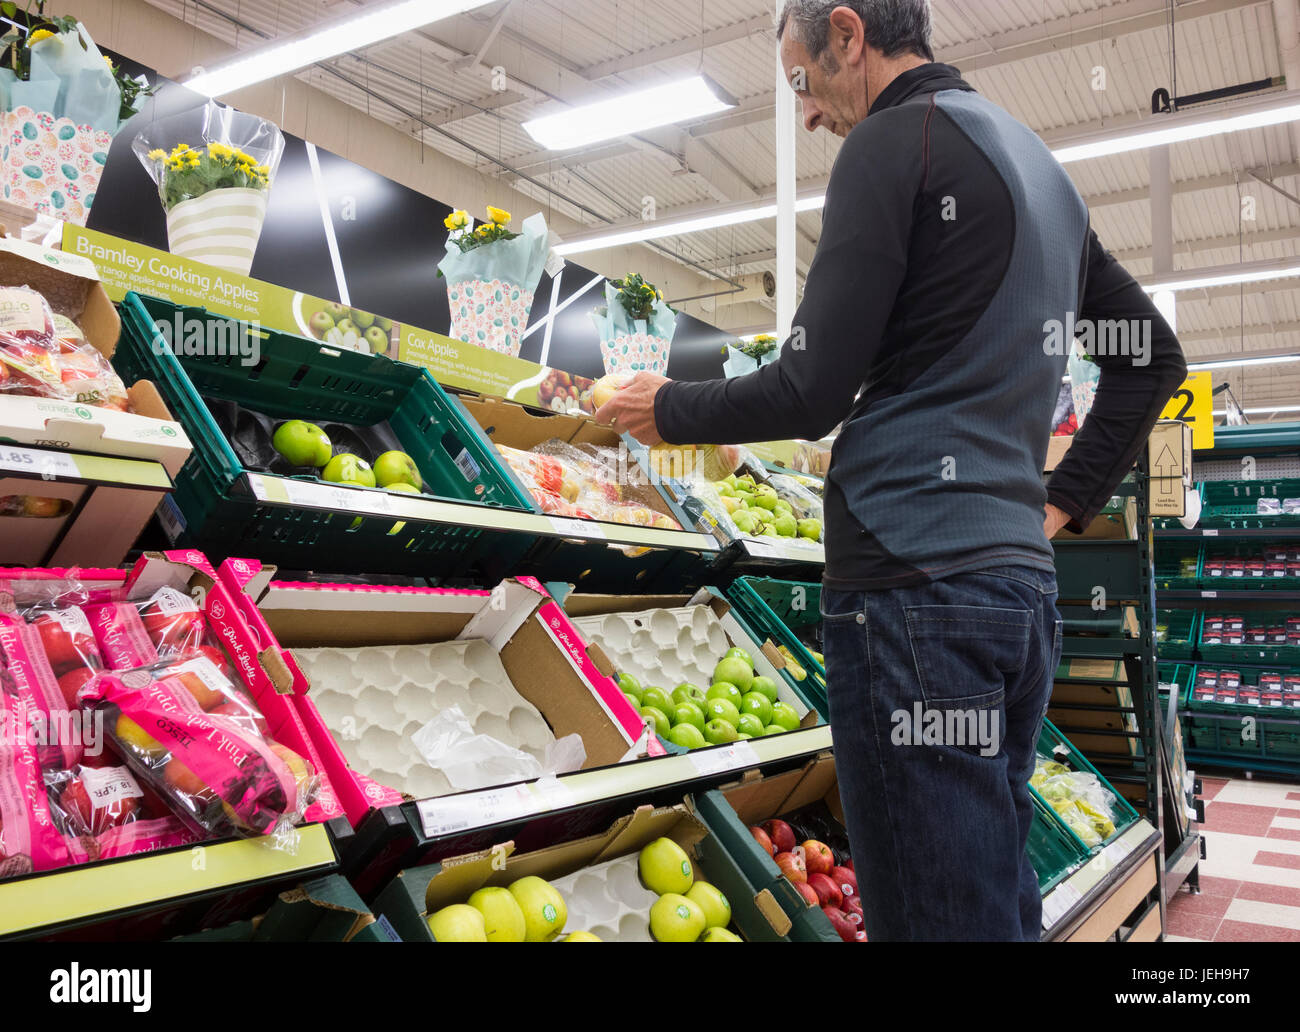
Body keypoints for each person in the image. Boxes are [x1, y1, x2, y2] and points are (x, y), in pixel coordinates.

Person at [594, 0, 1187, 941]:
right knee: (988, 896)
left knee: (934, 917)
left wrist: (665, 409)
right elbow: (1151, 357)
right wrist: (1058, 508)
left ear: (847, 32)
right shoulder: (1042, 171)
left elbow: (809, 388)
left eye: (801, 81)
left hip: (912, 597)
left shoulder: (894, 141)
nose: (808, 115)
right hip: (1016, 602)